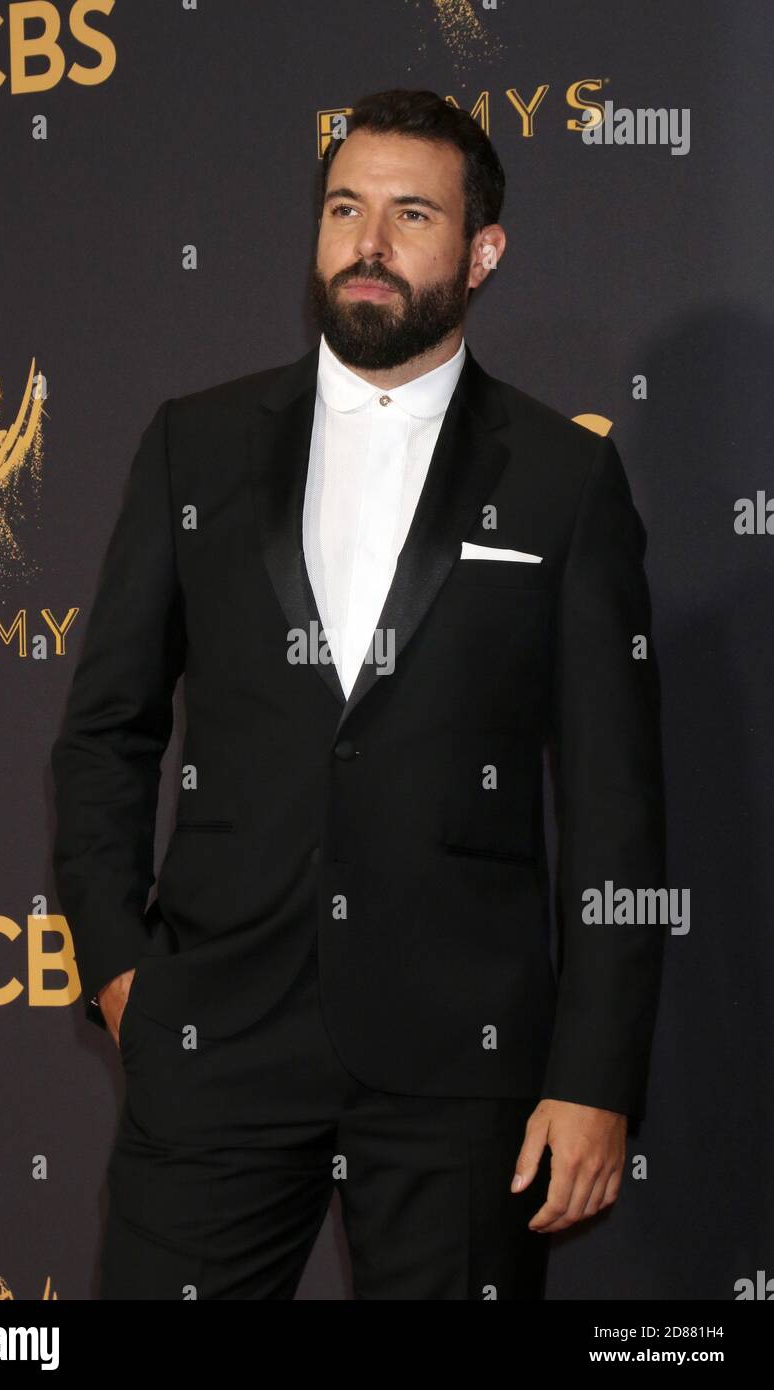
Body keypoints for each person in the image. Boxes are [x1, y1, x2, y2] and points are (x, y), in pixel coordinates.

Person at [50, 88, 667, 1300]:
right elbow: (103, 731)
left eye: (409, 213)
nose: (366, 244)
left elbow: (615, 808)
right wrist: (124, 970)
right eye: (344, 207)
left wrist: (592, 1073)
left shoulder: (563, 478)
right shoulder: (197, 443)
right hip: (214, 1036)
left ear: (481, 252)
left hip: (458, 1067)